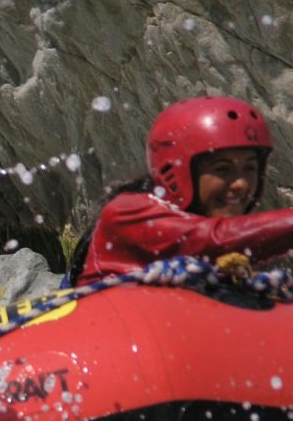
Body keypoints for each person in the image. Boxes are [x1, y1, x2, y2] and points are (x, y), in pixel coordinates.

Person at [69, 95, 293, 286]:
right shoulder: (128, 212)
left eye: (250, 169)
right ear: (178, 171)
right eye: (222, 170)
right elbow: (214, 239)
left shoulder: (228, 249)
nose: (241, 184)